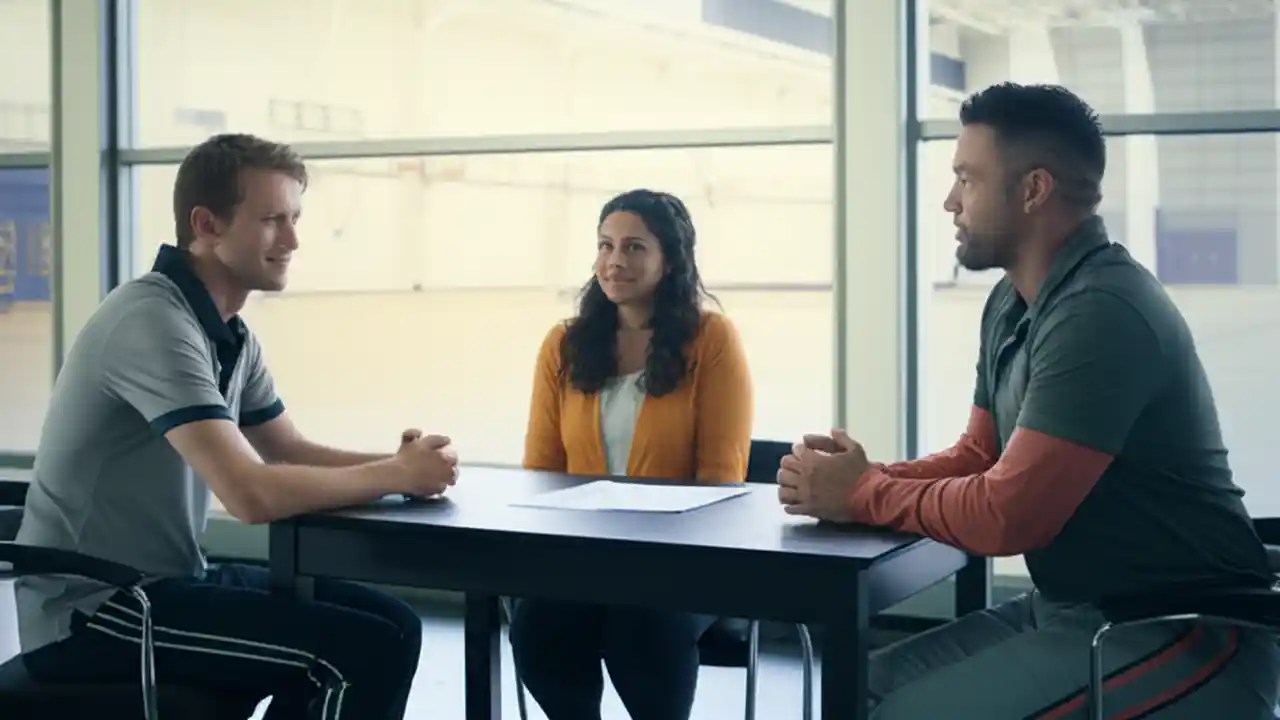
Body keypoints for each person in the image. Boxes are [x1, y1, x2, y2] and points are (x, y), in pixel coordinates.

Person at [777, 83, 1280, 718]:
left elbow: (1007, 516)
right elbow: (978, 457)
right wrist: (857, 480)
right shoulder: (1014, 302)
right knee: (856, 691)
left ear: (1033, 190)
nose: (950, 200)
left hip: (1184, 629)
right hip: (1073, 611)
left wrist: (861, 494)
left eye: (968, 178)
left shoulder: (1101, 312)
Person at [15, 133, 458, 719]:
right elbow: (250, 493)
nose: (294, 239)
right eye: (273, 219)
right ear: (207, 224)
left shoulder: (228, 333)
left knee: (393, 624)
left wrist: (402, 469)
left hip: (167, 583)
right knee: (359, 649)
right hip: (95, 607)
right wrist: (391, 472)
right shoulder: (152, 321)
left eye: (295, 218)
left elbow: (286, 449)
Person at [514, 189, 753, 720]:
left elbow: (721, 480)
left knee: (641, 625)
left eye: (634, 247)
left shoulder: (711, 339)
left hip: (688, 561)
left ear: (670, 260)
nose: (614, 261)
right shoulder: (563, 343)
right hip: (586, 559)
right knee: (539, 624)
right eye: (605, 245)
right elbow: (542, 472)